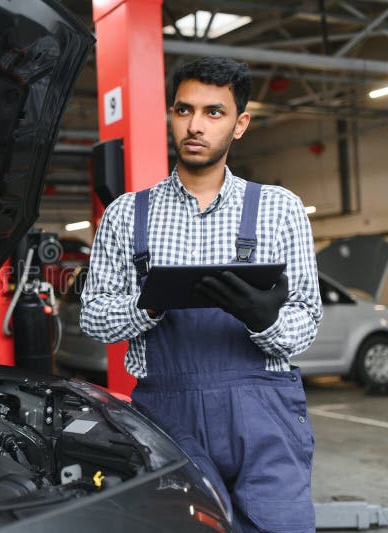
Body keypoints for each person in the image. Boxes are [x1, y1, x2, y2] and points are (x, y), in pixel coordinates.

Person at [79, 56, 322, 533]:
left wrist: (264, 319)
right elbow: (93, 317)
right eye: (184, 110)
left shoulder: (280, 209)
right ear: (171, 115)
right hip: (168, 414)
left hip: (264, 415)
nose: (196, 125)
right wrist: (148, 305)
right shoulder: (127, 215)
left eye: (214, 112)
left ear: (239, 124)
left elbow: (306, 322)